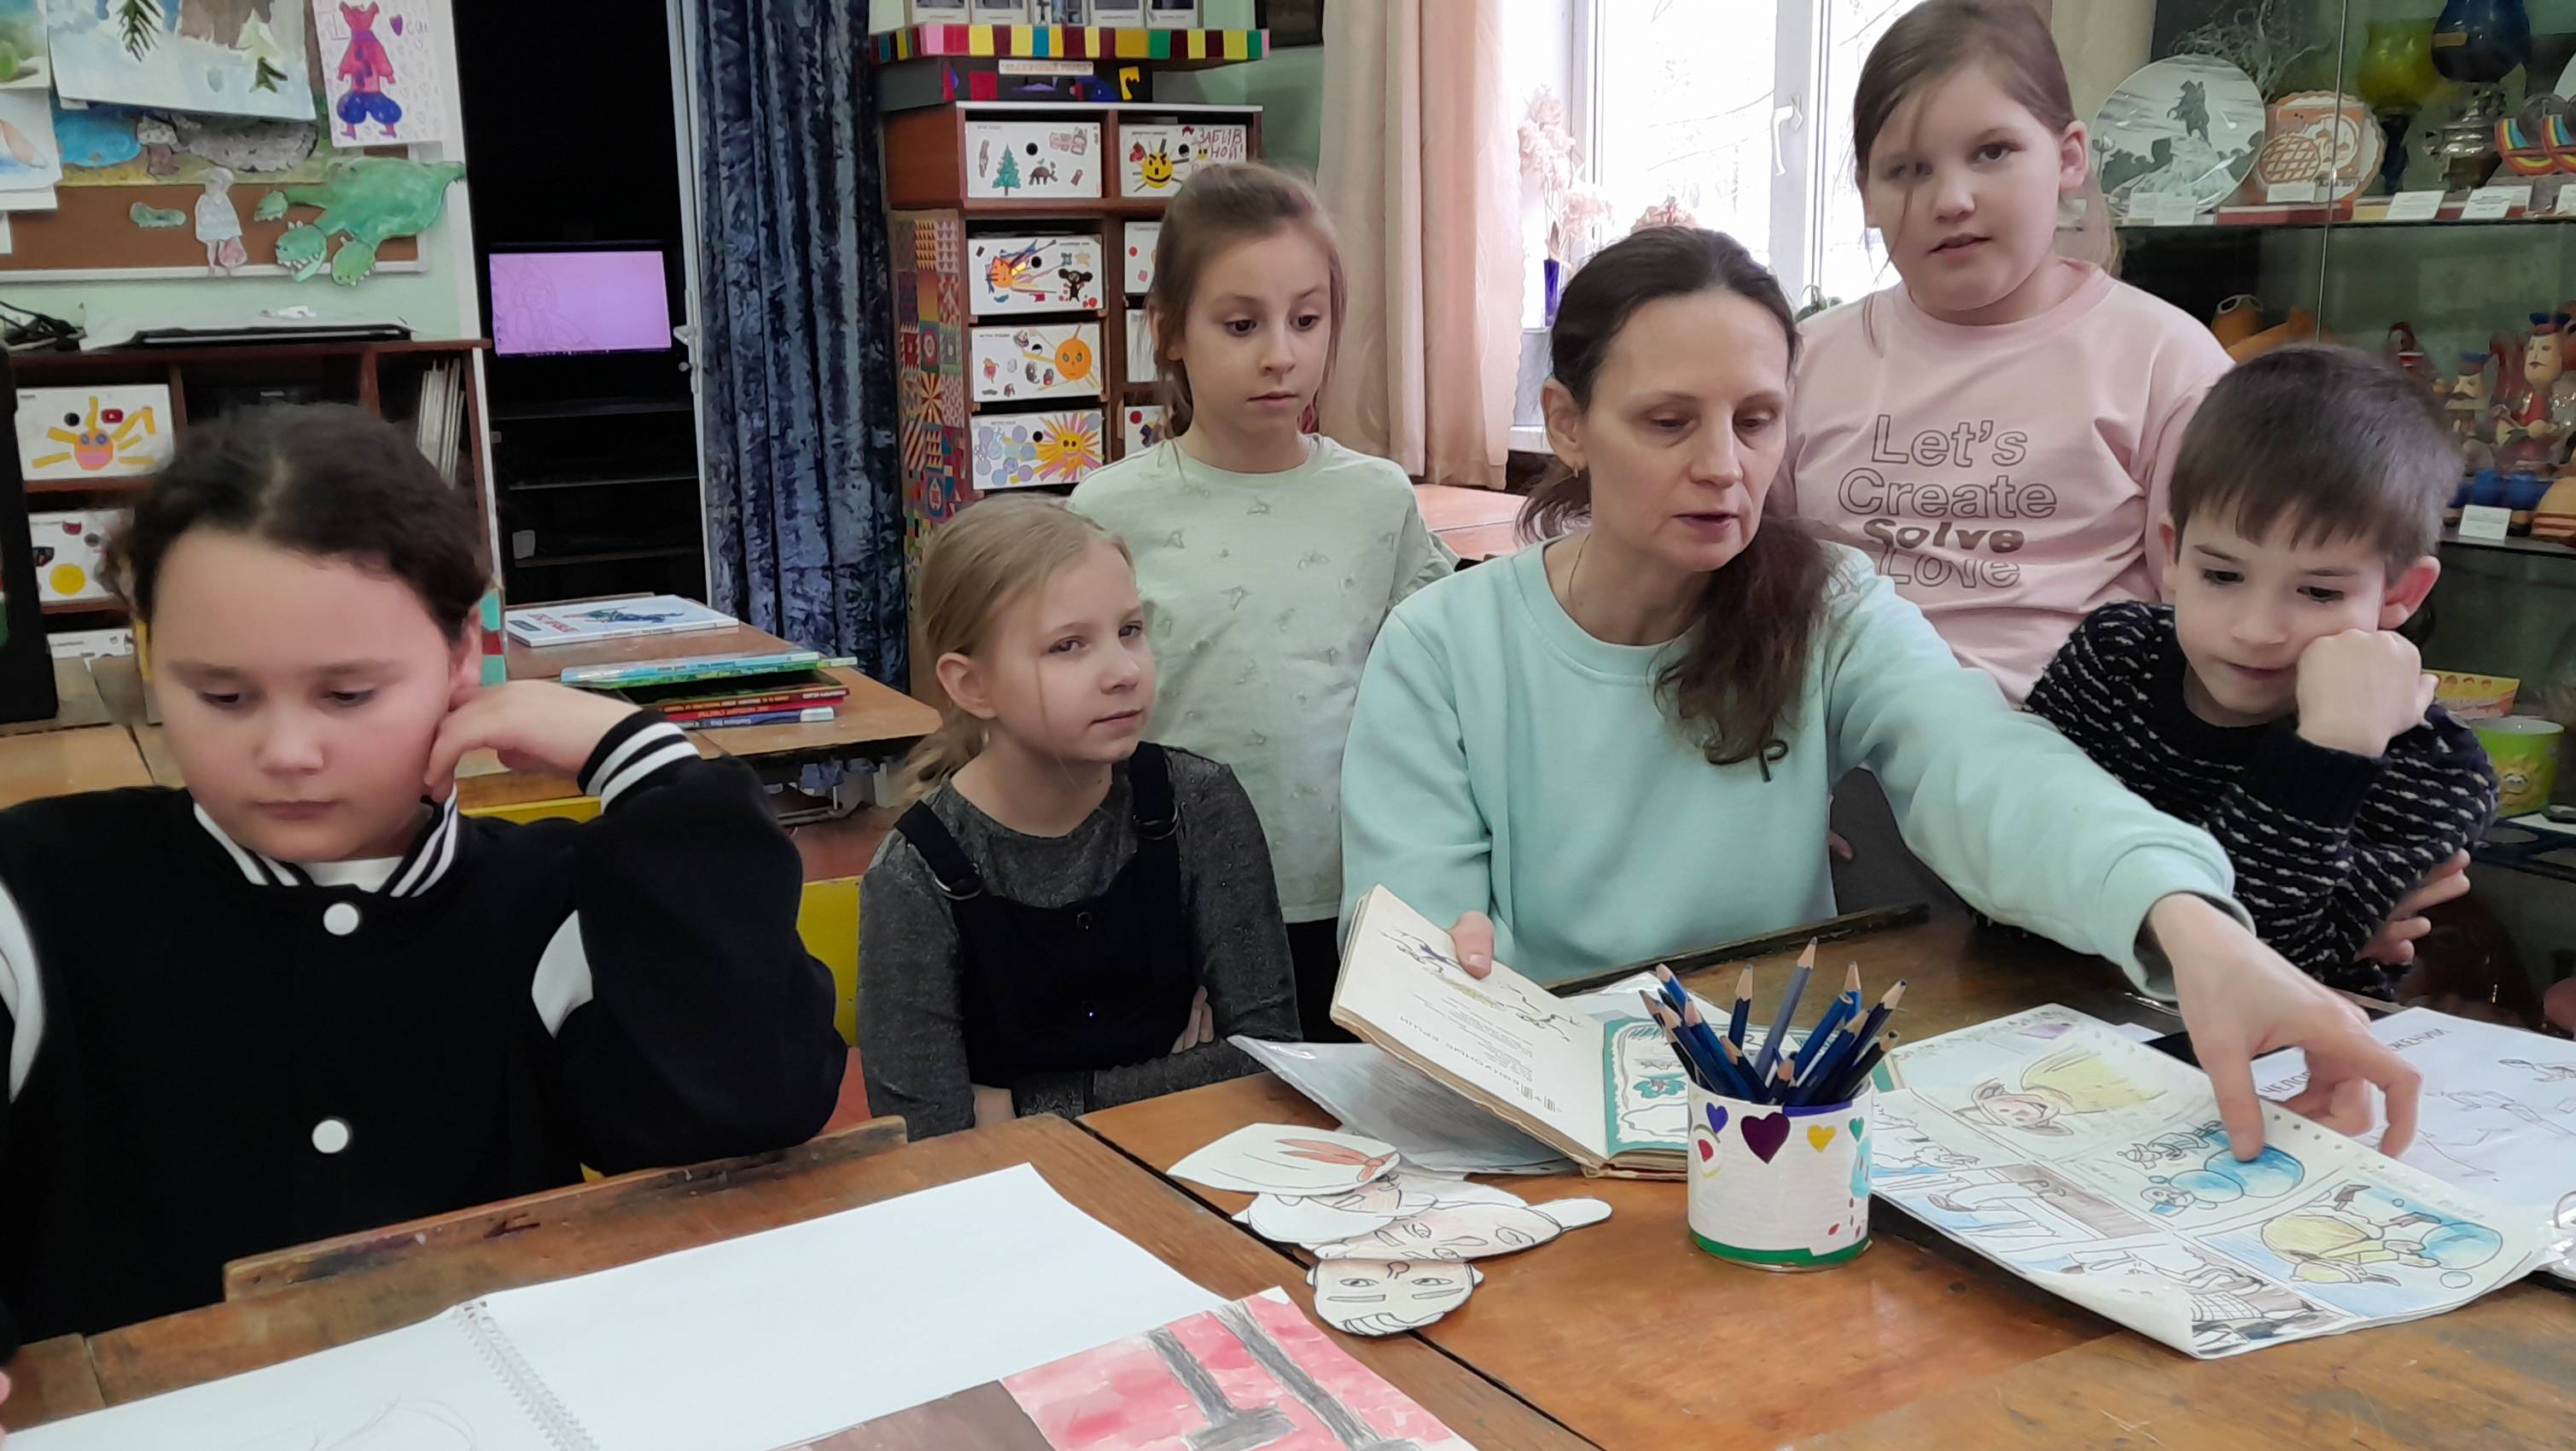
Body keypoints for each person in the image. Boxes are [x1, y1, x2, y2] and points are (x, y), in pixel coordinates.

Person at [1338, 226, 2421, 1163]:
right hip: (1539, 1117)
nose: (1724, 464)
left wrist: (2188, 921)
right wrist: (1441, 963)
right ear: (1567, 422)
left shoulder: (1828, 604)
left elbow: (1981, 763)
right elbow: (1413, 938)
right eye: (1668, 421)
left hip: (1781, 1108)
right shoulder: (1444, 645)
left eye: (1757, 419)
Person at [0, 405, 842, 1359]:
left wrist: (648, 770)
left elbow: (745, 1108)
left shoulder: (547, 899)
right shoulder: (38, 889)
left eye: (348, 693)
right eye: (222, 695)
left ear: (461, 655)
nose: (288, 750)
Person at [1072, 162, 1454, 1040]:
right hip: (1175, 896)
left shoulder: (1378, 499)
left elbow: (1439, 694)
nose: (1281, 353)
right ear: (1170, 331)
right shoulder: (1110, 509)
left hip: (1356, 897)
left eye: (1306, 320)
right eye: (1241, 324)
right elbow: (1078, 725)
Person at [2025, 347, 2498, 997]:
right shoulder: (2114, 658)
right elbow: (2006, 883)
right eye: (2222, 575)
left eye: (2319, 592)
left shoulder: (2433, 768)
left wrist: (2330, 752)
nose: (2256, 629)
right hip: (2043, 1025)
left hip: (2287, 1053)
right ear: (2173, 552)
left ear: (2400, 594)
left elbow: (2253, 966)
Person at [858, 498, 1298, 1139]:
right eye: (1068, 646)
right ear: (972, 685)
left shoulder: (1200, 802)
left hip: (1200, 1169)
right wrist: (1180, 1080)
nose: (1124, 672)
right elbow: (930, 1135)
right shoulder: (914, 873)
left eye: (1130, 630)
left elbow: (1270, 1060)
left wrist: (1023, 1107)